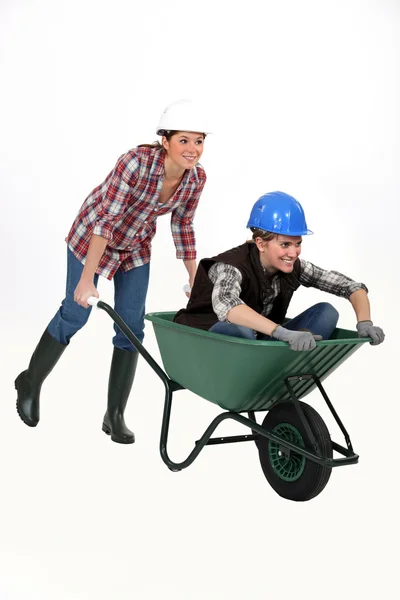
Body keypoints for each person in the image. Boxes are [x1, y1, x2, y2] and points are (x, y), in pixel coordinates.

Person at [15, 99, 210, 443]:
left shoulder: (196, 179)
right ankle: (30, 381)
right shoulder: (135, 163)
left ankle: (115, 414)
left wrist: (195, 277)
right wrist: (87, 278)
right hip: (93, 237)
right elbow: (105, 221)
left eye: (198, 141)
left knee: (132, 327)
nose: (192, 149)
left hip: (135, 245)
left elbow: (183, 225)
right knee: (76, 314)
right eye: (184, 140)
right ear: (165, 141)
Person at [174, 192, 385, 351]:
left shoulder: (293, 267)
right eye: (285, 245)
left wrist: (364, 321)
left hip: (260, 340)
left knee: (327, 312)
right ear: (261, 243)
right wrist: (283, 333)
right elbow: (229, 308)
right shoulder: (231, 267)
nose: (293, 253)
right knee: (239, 328)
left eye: (298, 243)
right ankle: (276, 356)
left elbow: (351, 287)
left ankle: (285, 363)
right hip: (208, 340)